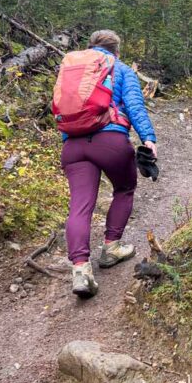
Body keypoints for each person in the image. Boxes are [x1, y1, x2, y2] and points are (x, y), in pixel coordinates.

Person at [60, 30, 157, 298]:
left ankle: (80, 269)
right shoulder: (121, 68)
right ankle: (111, 247)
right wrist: (148, 138)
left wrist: (70, 138)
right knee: (124, 188)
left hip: (73, 145)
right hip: (110, 140)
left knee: (80, 205)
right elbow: (135, 106)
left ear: (90, 46)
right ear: (116, 50)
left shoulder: (73, 67)